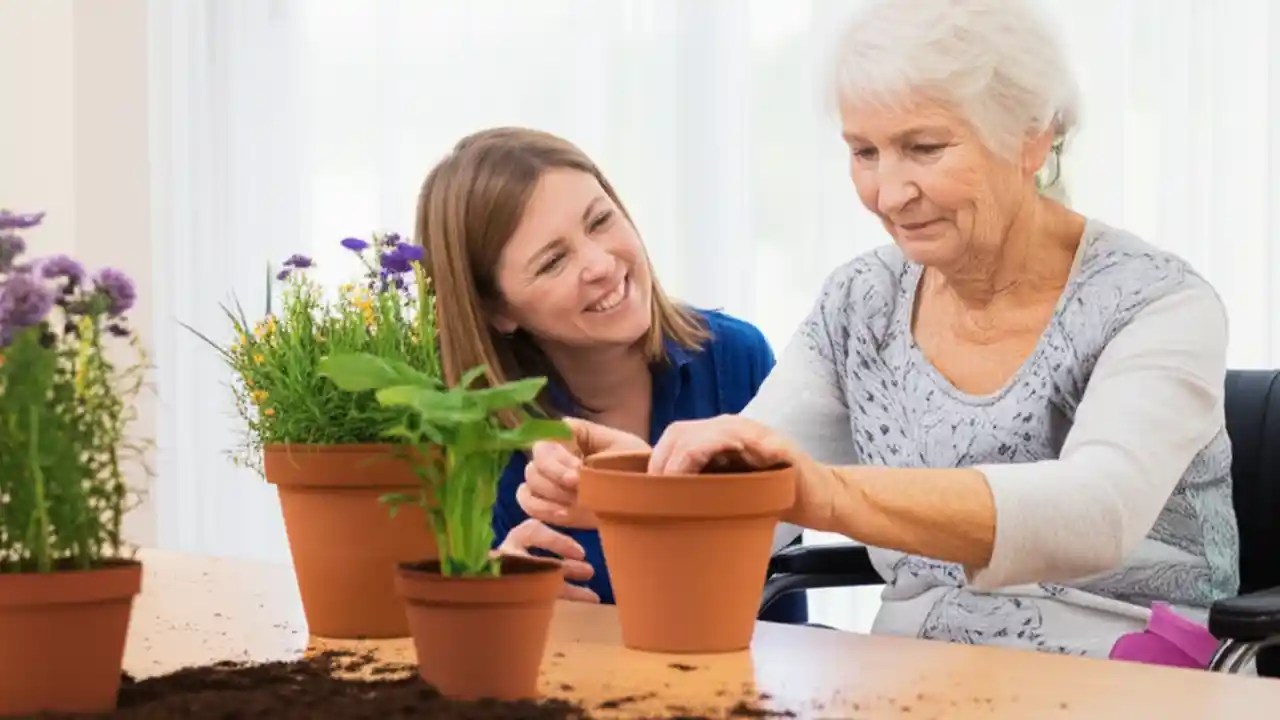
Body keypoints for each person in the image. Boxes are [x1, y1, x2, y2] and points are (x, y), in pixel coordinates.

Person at [518, 0, 1240, 658]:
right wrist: (635, 484)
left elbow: (1097, 512)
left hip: (1134, 671)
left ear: (1031, 137)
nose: (889, 194)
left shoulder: (1157, 302)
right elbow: (752, 500)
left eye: (925, 148)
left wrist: (824, 493)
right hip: (916, 675)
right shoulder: (860, 304)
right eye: (864, 152)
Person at [415, 126, 808, 624]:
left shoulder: (736, 357)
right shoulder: (466, 432)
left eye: (600, 220)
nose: (601, 264)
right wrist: (490, 598)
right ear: (496, 311)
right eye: (554, 260)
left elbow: (779, 565)